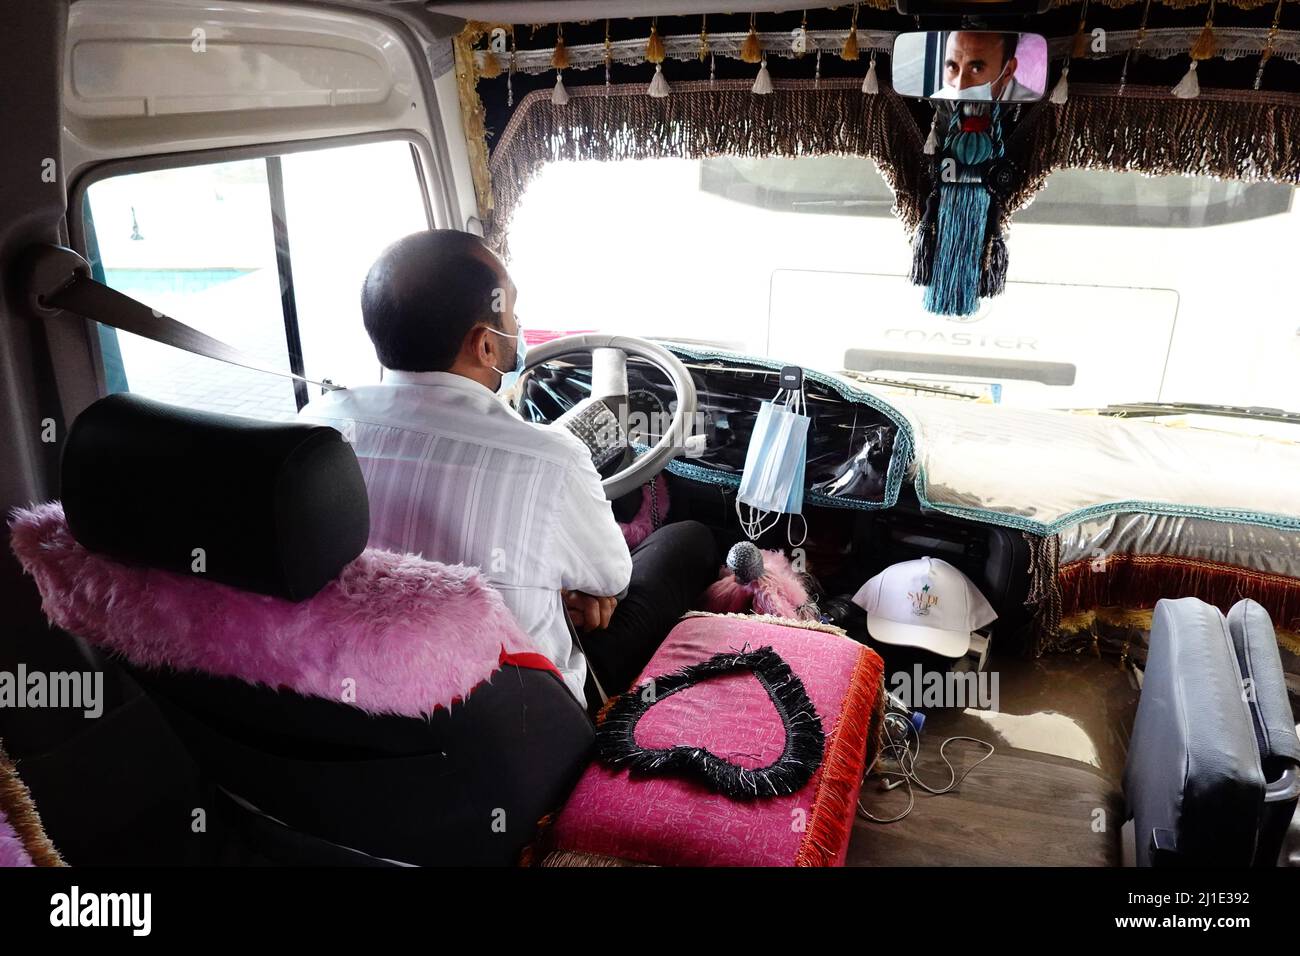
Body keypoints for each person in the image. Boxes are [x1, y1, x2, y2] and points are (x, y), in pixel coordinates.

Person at [300, 229, 717, 707]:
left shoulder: (317, 429)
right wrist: (567, 590)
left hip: (358, 690)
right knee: (687, 539)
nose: (518, 323)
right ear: (484, 346)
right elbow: (610, 580)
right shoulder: (552, 457)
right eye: (512, 311)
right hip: (529, 718)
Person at [935, 31, 1039, 103]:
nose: (959, 87)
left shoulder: (1032, 112)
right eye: (952, 67)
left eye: (976, 69)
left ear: (1007, 72)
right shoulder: (936, 102)